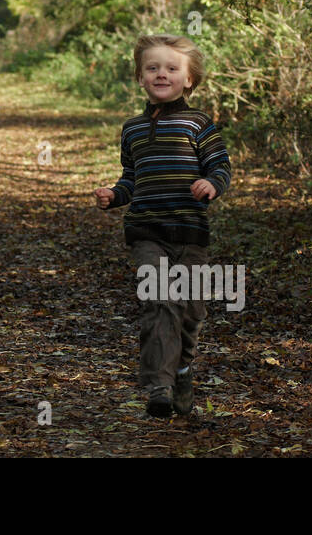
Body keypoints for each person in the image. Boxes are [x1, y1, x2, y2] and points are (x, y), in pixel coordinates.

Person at [95, 34, 232, 418]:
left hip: (189, 232)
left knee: (190, 310)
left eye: (172, 68)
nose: (161, 74)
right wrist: (114, 195)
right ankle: (159, 385)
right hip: (147, 231)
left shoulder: (199, 123)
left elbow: (220, 166)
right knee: (159, 301)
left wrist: (211, 184)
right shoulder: (132, 129)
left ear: (189, 79)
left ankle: (182, 370)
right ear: (140, 77)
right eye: (152, 68)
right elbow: (131, 178)